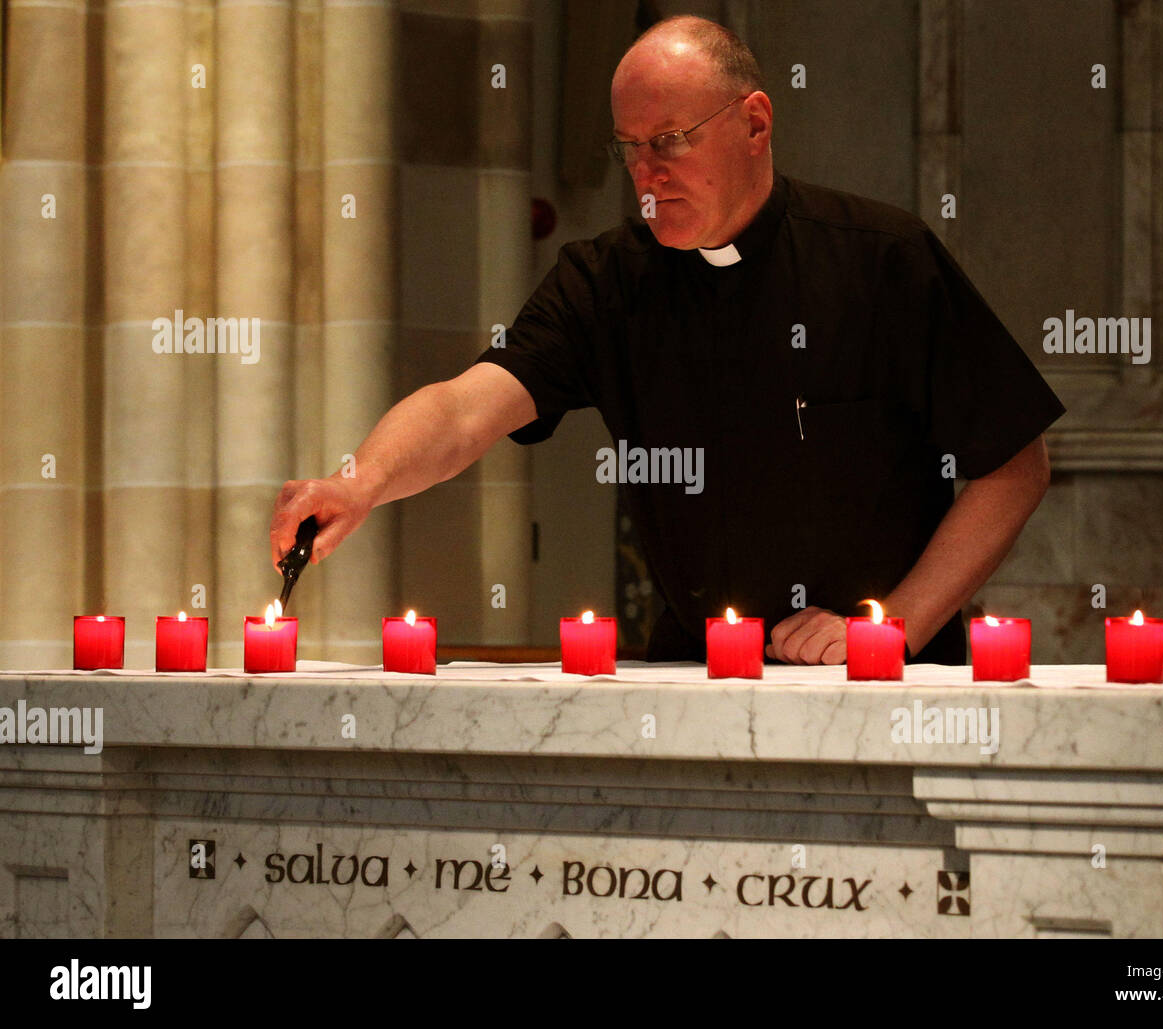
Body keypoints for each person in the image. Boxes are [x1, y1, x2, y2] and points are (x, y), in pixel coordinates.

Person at [271, 15, 1064, 666]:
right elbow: (464, 408)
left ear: (755, 122)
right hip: (693, 675)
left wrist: (893, 623)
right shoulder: (608, 281)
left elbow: (1016, 463)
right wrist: (360, 480)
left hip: (888, 675)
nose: (645, 172)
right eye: (628, 147)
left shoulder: (882, 258)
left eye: (670, 140)